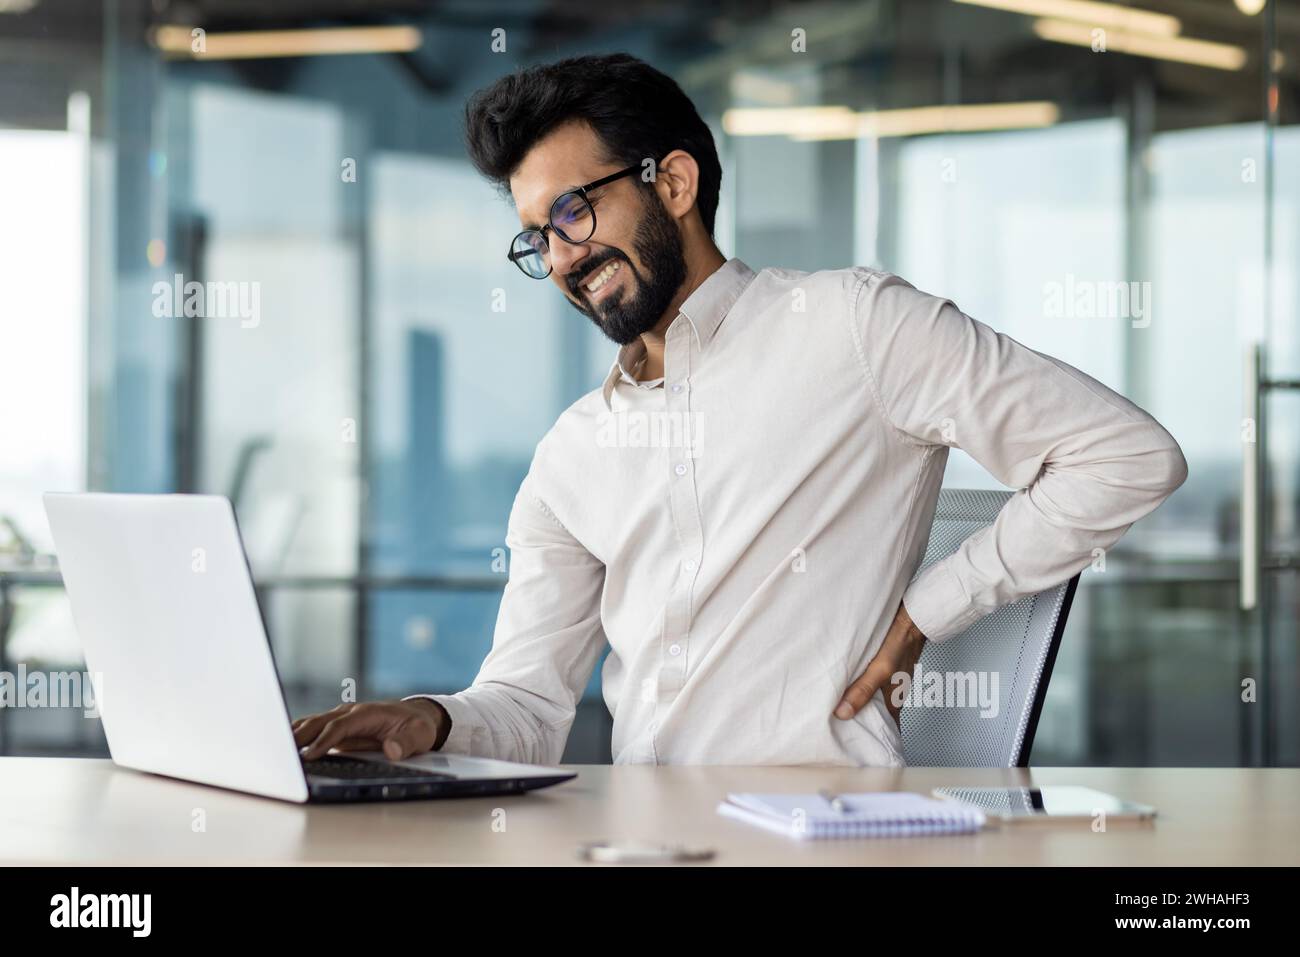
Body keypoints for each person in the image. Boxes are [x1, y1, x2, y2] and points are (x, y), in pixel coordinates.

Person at [295, 53, 1186, 767]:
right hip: (645, 846)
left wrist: (929, 609)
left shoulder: (856, 326)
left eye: (573, 212)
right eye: (538, 237)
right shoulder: (573, 452)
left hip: (828, 840)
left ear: (673, 183)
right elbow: (528, 707)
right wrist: (428, 720)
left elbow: (1126, 456)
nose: (562, 257)